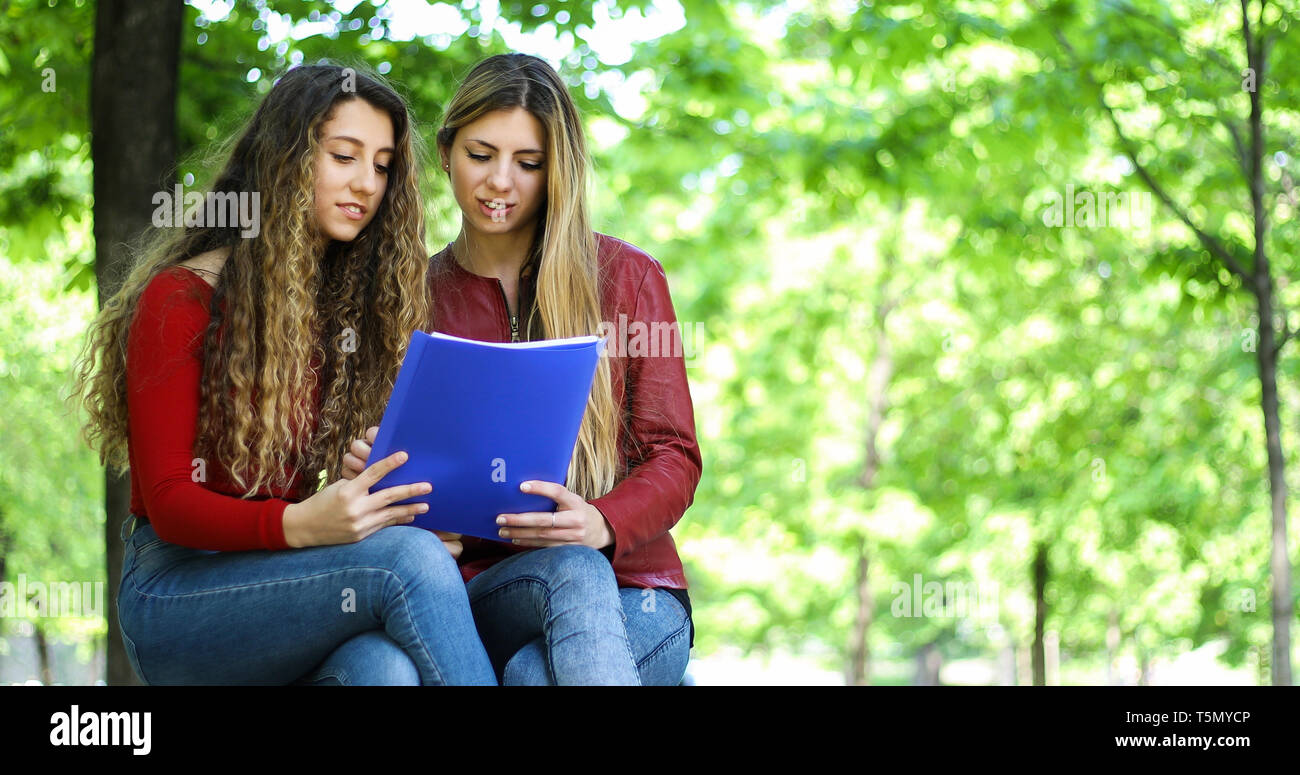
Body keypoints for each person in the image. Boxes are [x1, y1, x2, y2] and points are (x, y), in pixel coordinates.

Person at [71, 64, 497, 685]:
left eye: (381, 166)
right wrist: (304, 523)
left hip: (286, 578)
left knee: (383, 670)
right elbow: (170, 503)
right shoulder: (180, 297)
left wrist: (389, 504)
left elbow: (327, 501)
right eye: (344, 156)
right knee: (407, 563)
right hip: (175, 592)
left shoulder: (344, 316)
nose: (366, 183)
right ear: (285, 160)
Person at [343, 53, 701, 685]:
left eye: (528, 163)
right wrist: (374, 475)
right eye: (481, 155)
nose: (500, 182)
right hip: (482, 590)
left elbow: (673, 454)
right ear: (448, 151)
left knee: (540, 672)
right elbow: (382, 482)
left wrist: (603, 521)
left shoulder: (628, 279)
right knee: (566, 578)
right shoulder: (404, 299)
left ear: (555, 170)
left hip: (633, 587)